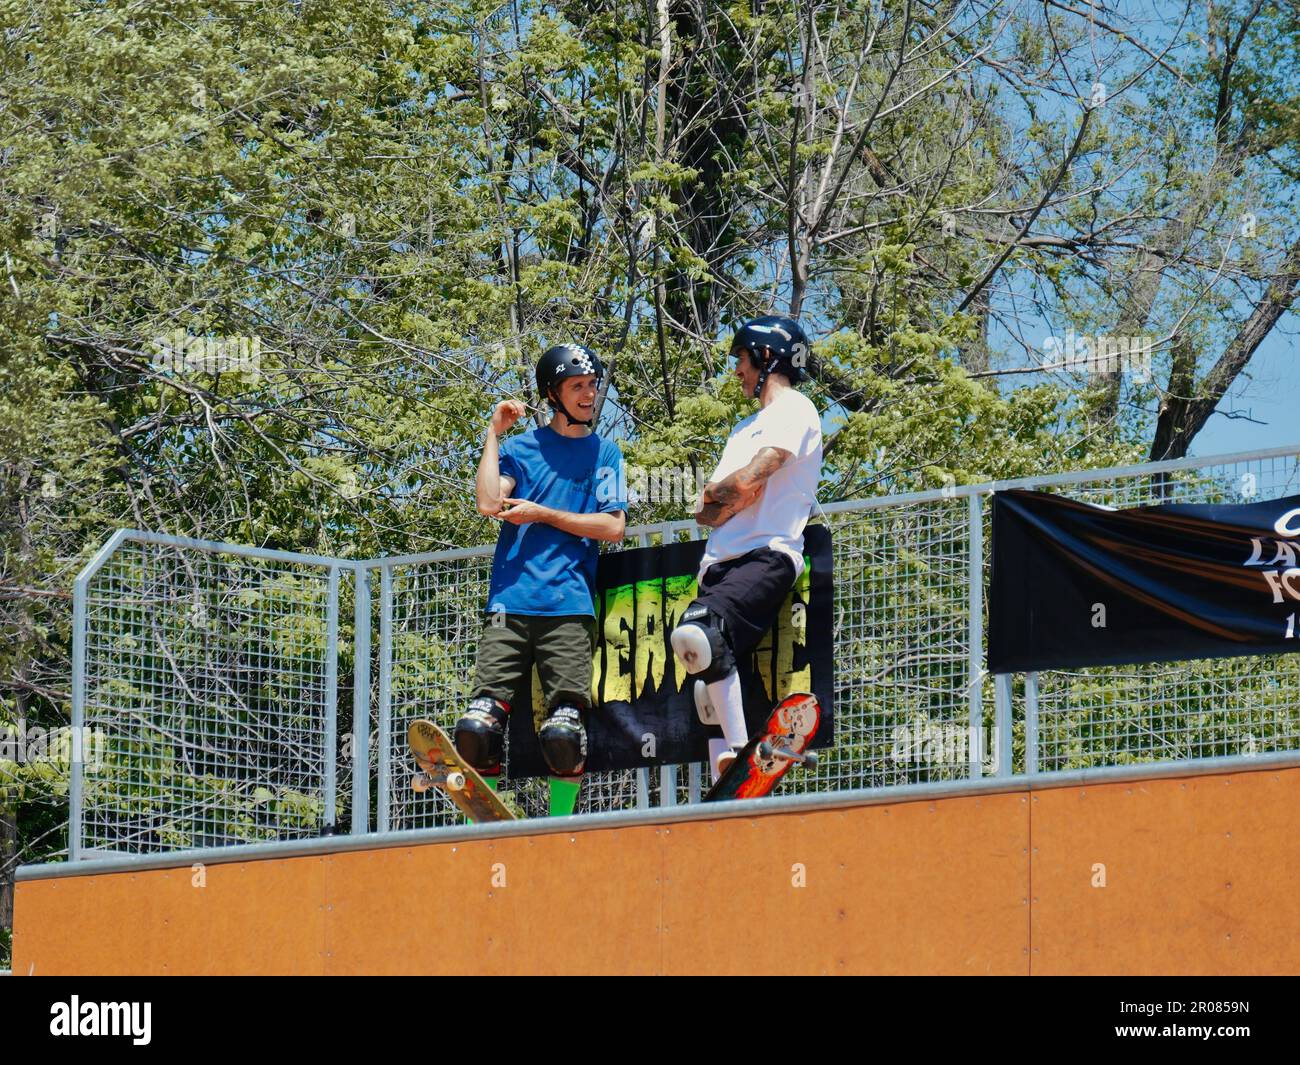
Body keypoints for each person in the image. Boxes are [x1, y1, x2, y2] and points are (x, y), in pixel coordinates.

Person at [455, 343, 627, 816]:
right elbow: (489, 504)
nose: (589, 395)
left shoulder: (604, 451)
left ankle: (557, 828)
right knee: (477, 727)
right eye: (578, 387)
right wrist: (493, 433)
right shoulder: (520, 449)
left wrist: (543, 514)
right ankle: (483, 828)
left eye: (592, 386)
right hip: (509, 602)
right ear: (553, 394)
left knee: (564, 731)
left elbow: (613, 527)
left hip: (569, 605)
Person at [670, 315, 823, 782]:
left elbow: (748, 483)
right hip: (718, 564)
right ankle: (727, 786)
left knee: (699, 634)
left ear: (765, 358)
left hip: (766, 554)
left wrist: (725, 492)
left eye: (741, 359)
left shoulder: (795, 409)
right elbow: (707, 510)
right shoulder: (743, 428)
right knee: (707, 688)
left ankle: (741, 757)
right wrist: (726, 492)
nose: (736, 370)